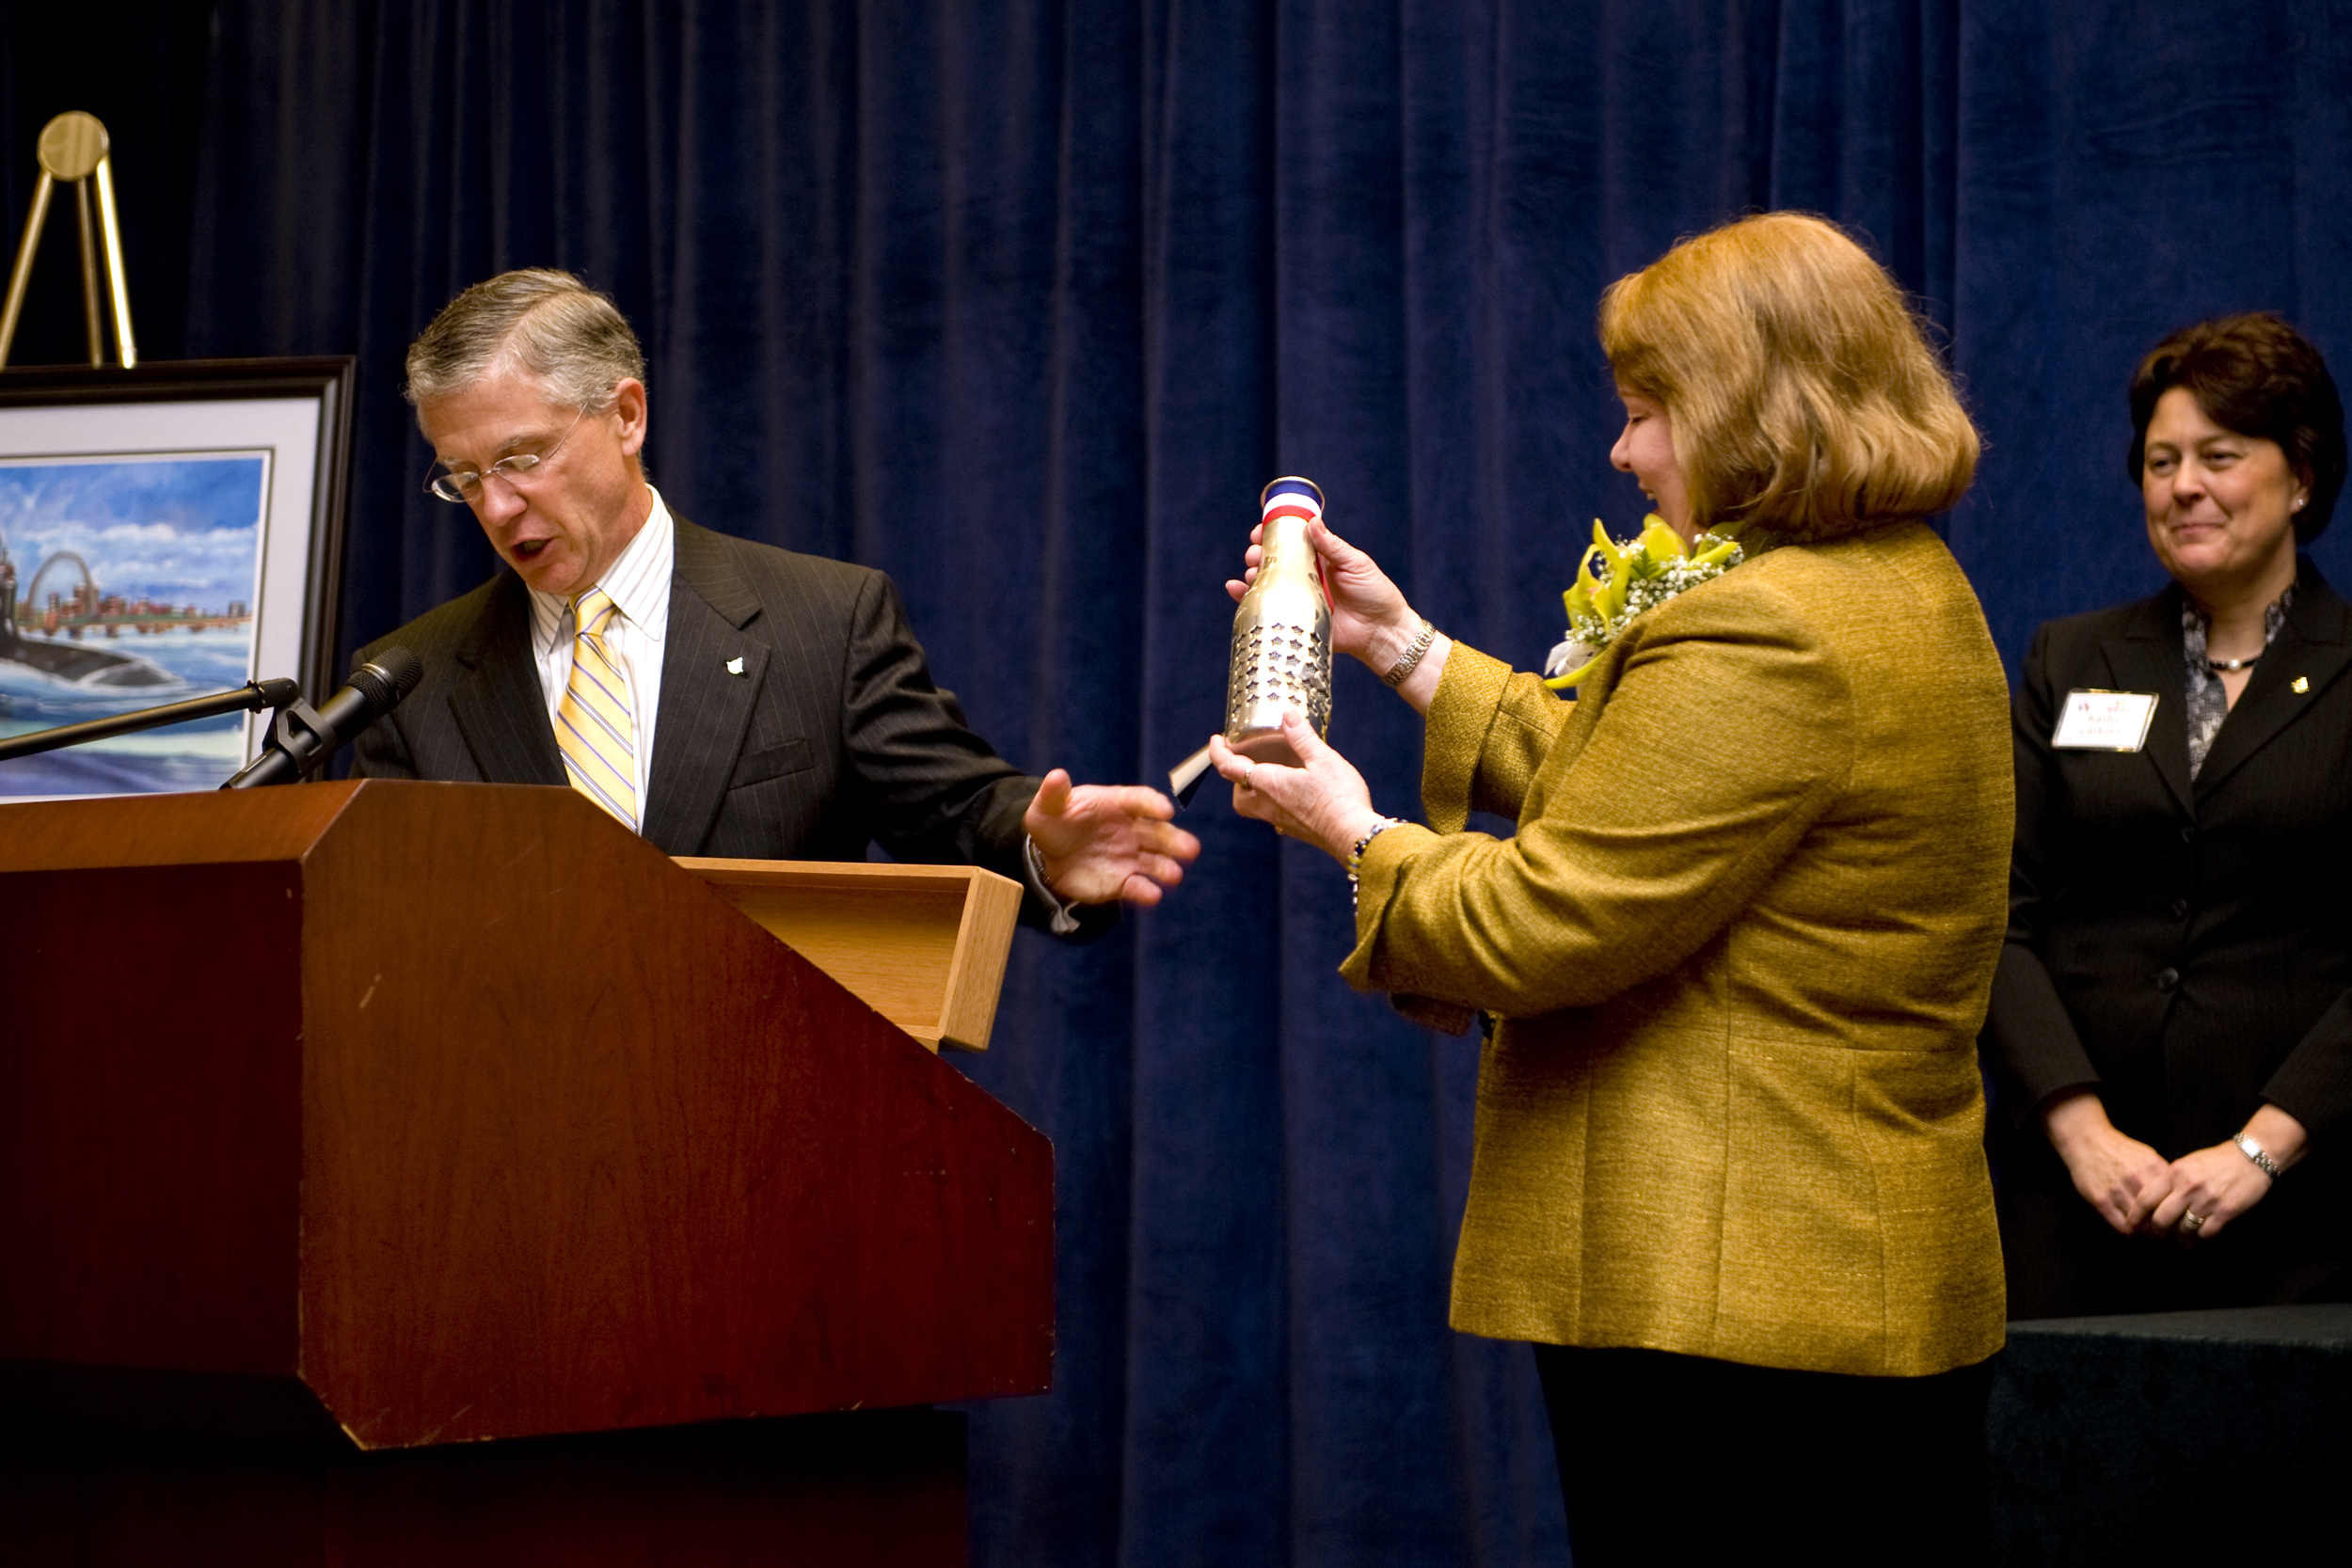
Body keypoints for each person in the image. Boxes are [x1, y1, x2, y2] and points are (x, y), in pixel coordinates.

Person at [1208, 214, 2010, 1563]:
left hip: (1738, 1304)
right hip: (1830, 1288)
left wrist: (1356, 834)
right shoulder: (1895, 586)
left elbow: (1551, 916)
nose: (1624, 451)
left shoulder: (1769, 625)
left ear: (1754, 411)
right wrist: (1404, 646)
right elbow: (1651, 786)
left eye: (1648, 413)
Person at [354, 270, 1196, 927]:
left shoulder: (823, 625)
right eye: (464, 477)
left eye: (522, 459)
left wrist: (1042, 850)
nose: (496, 509)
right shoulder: (409, 684)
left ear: (627, 415)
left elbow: (965, 812)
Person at [1982, 312, 2352, 1318]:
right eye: (2159, 460)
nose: (2182, 484)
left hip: (2305, 1219)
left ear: (2302, 477)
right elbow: (1998, 919)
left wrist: (2261, 1150)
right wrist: (2081, 1133)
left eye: (2218, 456)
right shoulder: (2067, 661)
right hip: (2082, 1211)